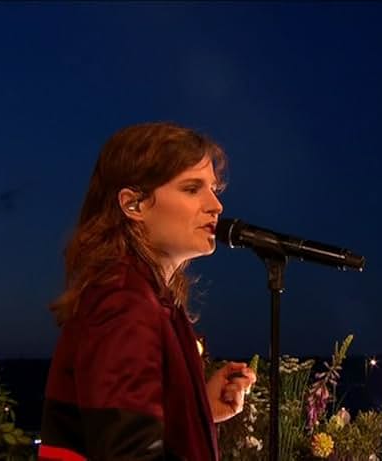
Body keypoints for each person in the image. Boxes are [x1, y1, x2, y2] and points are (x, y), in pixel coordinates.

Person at [39, 122, 256, 460]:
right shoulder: (123, 301)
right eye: (191, 188)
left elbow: (125, 426)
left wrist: (197, 407)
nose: (216, 205)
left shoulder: (146, 296)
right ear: (133, 204)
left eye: (213, 188)